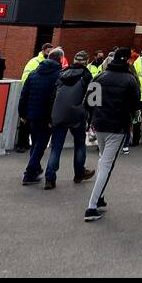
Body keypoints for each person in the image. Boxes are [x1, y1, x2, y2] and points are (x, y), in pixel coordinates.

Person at [84, 48, 140, 222]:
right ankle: (92, 207)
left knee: (103, 160)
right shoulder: (130, 80)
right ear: (127, 61)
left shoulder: (100, 77)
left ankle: (99, 197)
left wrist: (95, 116)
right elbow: (135, 104)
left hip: (99, 124)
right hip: (117, 126)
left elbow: (89, 102)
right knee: (106, 165)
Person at [45, 51, 95, 189]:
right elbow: (92, 99)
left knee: (56, 147)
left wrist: (51, 115)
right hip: (77, 114)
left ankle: (50, 178)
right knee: (79, 144)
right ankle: (79, 173)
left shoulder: (62, 73)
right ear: (86, 61)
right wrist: (89, 117)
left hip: (58, 114)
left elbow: (53, 95)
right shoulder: (86, 76)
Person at [18, 47, 64, 186]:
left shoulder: (33, 73)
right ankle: (29, 173)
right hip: (46, 116)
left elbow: (23, 95)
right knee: (40, 145)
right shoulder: (59, 75)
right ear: (60, 59)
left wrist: (22, 114)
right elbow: (55, 99)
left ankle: (36, 168)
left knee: (36, 143)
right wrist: (52, 118)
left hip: (32, 115)